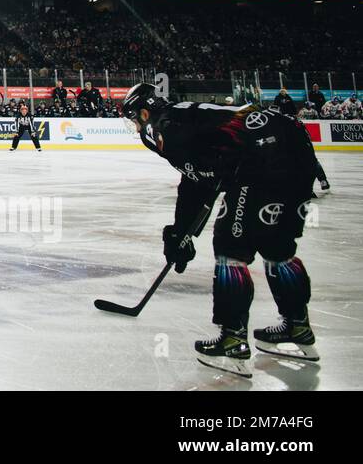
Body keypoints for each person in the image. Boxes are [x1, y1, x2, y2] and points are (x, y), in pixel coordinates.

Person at [121, 83, 322, 377]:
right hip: (296, 152)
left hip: (263, 161)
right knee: (277, 247)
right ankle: (297, 327)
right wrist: (182, 232)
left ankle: (233, 339)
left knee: (231, 247)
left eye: (134, 118)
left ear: (144, 111)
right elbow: (201, 177)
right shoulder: (184, 114)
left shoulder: (167, 127)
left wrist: (181, 234)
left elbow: (202, 179)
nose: (135, 125)